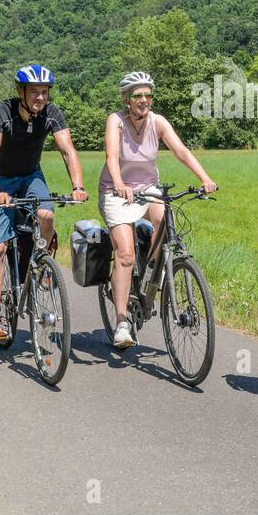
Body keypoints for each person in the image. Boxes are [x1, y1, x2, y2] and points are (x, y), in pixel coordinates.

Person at [99, 71, 217, 349]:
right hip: (117, 192)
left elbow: (181, 151)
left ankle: (152, 271)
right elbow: (112, 156)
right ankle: (121, 322)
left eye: (148, 95)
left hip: (149, 187)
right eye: (138, 96)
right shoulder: (115, 121)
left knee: (167, 223)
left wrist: (205, 178)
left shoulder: (158, 121)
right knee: (125, 255)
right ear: (127, 99)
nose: (144, 100)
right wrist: (118, 183)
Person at [0, 64, 88, 342]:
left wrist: (77, 187)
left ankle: (38, 263)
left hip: (31, 177)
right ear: (21, 92)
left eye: (44, 92)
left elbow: (67, 150)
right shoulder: (1, 113)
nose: (40, 97)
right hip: (2, 180)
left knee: (46, 214)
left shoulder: (52, 114)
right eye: (34, 92)